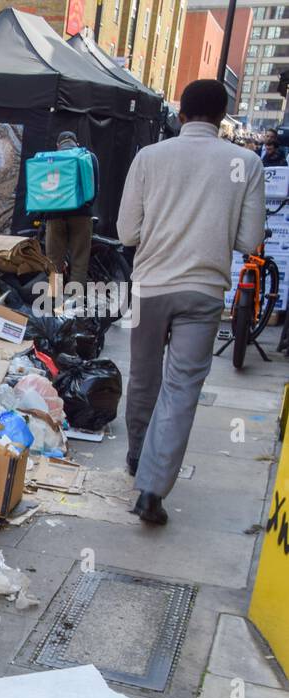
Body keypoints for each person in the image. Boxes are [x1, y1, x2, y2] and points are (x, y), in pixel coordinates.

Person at [117, 79, 266, 526]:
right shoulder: (246, 162)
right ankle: (153, 489)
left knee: (143, 378)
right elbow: (250, 239)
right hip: (203, 291)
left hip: (149, 286)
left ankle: (137, 456)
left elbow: (127, 232)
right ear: (222, 117)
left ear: (180, 113)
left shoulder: (149, 158)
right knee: (181, 388)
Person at [42, 131, 99, 306]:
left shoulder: (50, 158)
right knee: (79, 260)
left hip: (55, 216)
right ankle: (74, 307)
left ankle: (54, 306)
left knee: (54, 262)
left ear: (58, 145)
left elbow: (43, 188)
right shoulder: (89, 157)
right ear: (76, 143)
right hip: (82, 215)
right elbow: (95, 188)